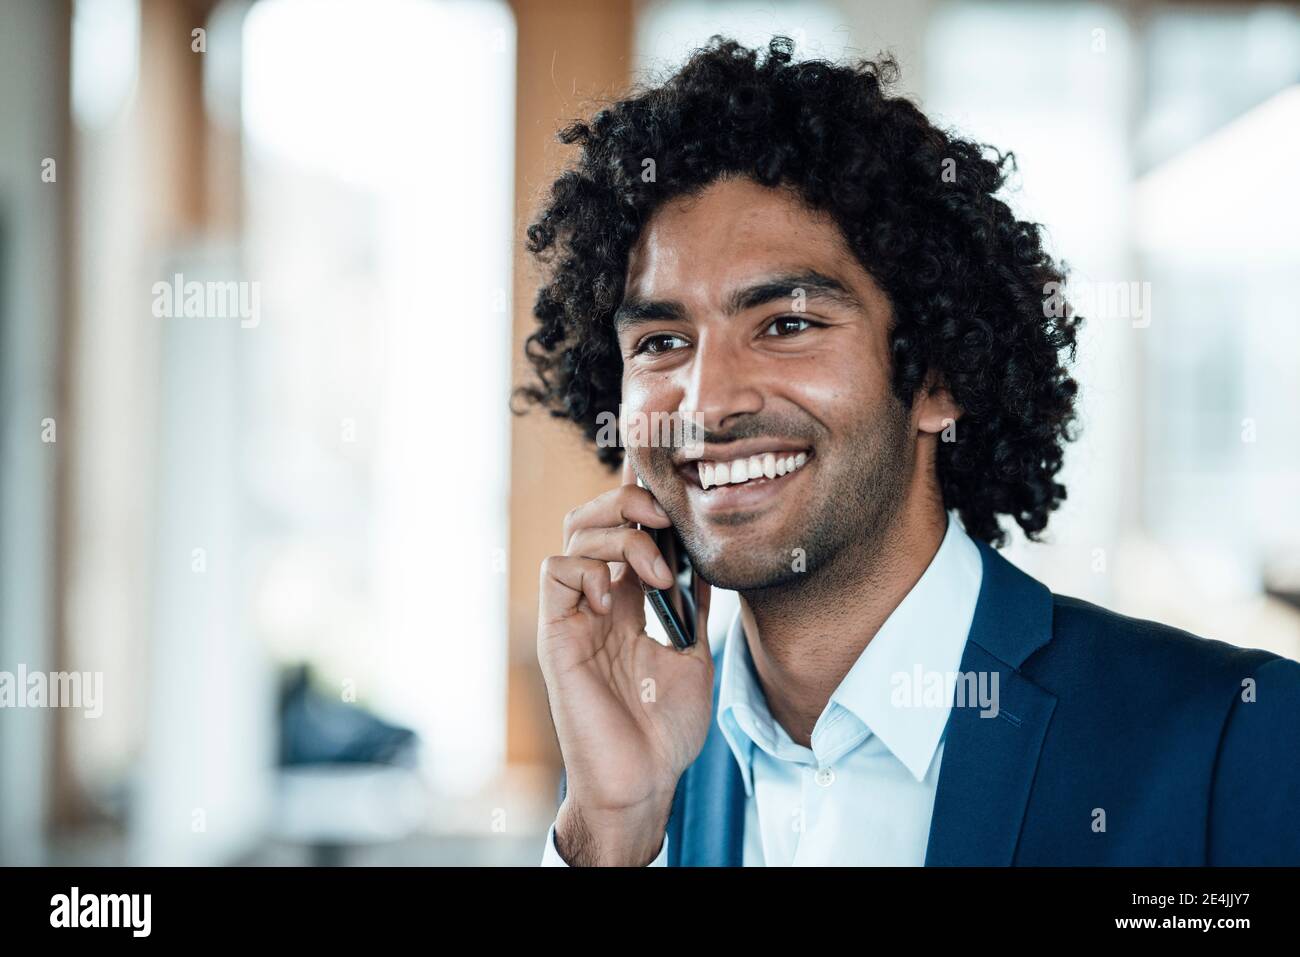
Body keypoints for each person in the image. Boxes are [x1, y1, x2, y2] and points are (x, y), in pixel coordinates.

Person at [514, 36, 1300, 866]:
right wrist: (609, 829)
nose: (707, 403)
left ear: (937, 377)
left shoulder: (1235, 740)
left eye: (786, 324)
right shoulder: (639, 763)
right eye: (663, 341)